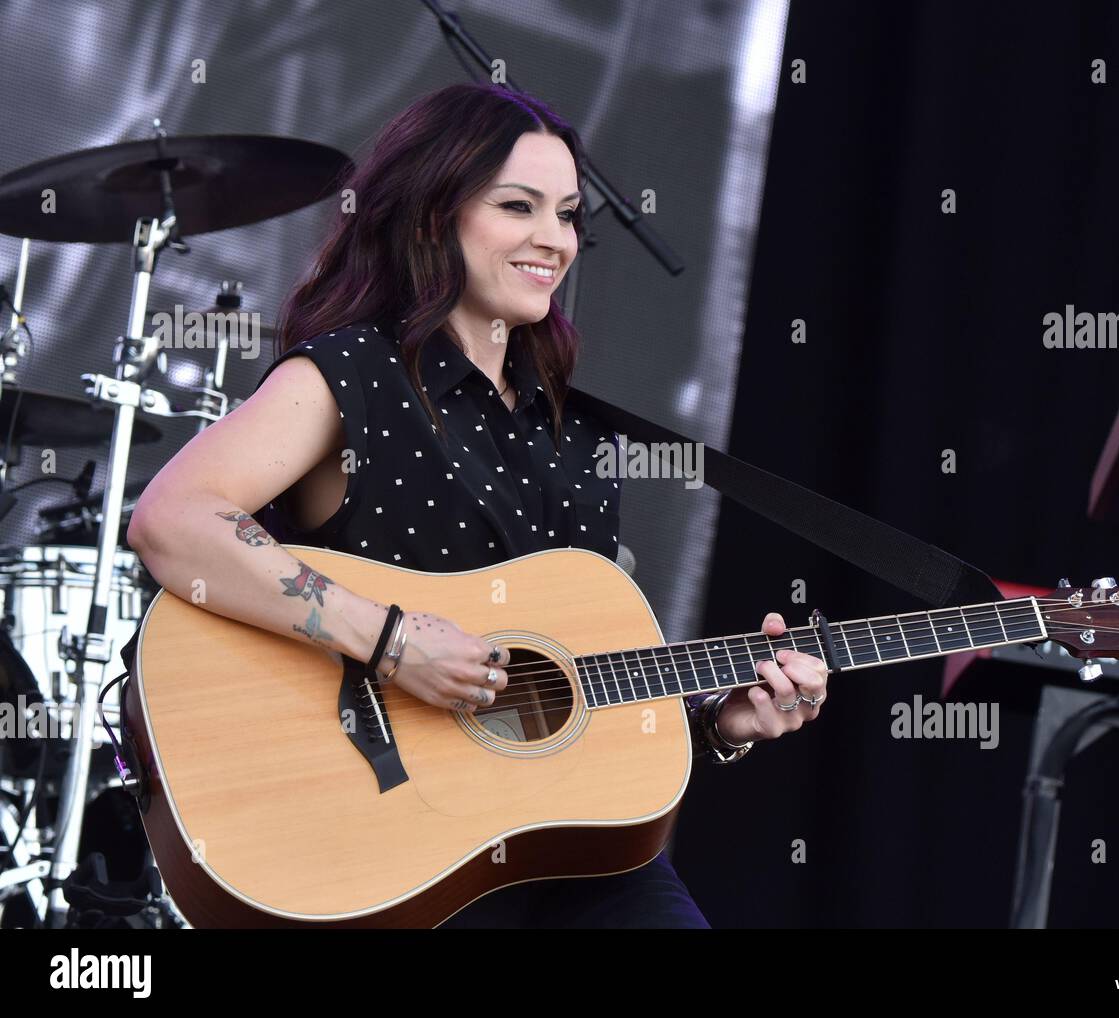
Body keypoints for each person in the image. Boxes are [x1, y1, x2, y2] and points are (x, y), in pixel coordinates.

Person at [127, 83, 830, 928]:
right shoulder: (352, 373)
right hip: (387, 840)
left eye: (569, 214)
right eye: (517, 207)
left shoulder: (566, 424)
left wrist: (723, 722)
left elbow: (563, 684)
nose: (554, 240)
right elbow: (173, 519)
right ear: (431, 218)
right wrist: (388, 643)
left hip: (562, 847)